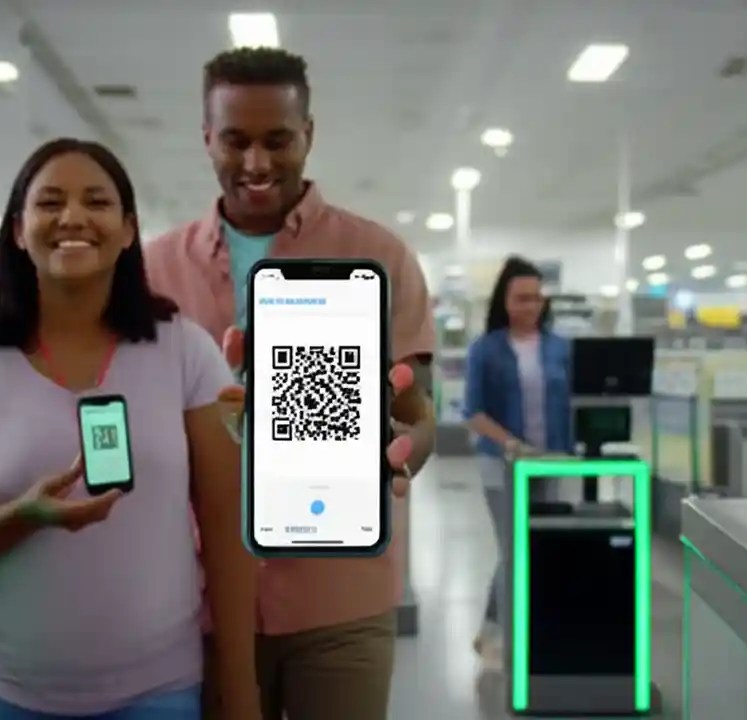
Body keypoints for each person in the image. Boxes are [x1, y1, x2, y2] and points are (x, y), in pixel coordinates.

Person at [0, 138, 259, 720]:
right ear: (18, 229)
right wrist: (22, 516)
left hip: (158, 690)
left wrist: (240, 688)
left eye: (97, 202)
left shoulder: (183, 352)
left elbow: (226, 528)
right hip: (5, 693)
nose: (72, 217)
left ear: (127, 230)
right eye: (49, 203)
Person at [143, 47, 436, 720]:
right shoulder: (155, 270)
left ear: (309, 134)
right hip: (195, 599)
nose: (256, 164)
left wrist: (395, 457)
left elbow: (417, 414)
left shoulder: (378, 257)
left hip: (341, 598)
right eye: (235, 141)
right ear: (206, 139)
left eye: (277, 140)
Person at [462, 256, 572, 669]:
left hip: (552, 463)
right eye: (522, 298)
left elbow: (572, 402)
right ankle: (511, 641)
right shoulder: (486, 350)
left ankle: (491, 629)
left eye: (537, 298)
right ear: (504, 301)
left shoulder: (559, 347)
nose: (531, 306)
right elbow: (472, 411)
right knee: (516, 549)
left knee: (526, 548)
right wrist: (512, 444)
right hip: (502, 465)